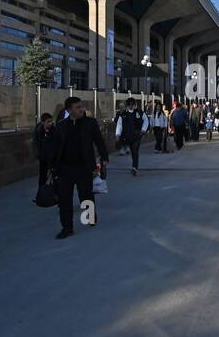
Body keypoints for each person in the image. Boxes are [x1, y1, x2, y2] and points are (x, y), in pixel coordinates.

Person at [43, 97, 108, 239]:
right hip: (64, 168)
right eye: (77, 107)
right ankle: (67, 227)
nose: (81, 109)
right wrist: (51, 165)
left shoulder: (90, 123)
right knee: (64, 199)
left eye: (81, 107)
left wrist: (104, 158)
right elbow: (54, 146)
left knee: (85, 195)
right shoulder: (61, 125)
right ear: (69, 110)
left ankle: (89, 217)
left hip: (84, 167)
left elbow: (99, 141)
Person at [114, 100, 147, 176]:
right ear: (127, 106)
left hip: (137, 135)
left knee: (135, 150)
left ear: (134, 105)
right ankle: (134, 165)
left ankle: (135, 167)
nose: (131, 106)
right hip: (128, 136)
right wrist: (117, 135)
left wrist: (143, 130)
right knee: (133, 151)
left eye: (132, 104)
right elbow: (119, 125)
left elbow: (146, 120)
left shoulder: (139, 112)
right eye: (129, 105)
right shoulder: (123, 115)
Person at [32, 112, 55, 203]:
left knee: (55, 176)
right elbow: (35, 143)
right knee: (42, 177)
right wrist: (38, 154)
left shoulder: (54, 130)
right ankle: (40, 195)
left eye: (51, 121)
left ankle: (55, 194)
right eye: (48, 122)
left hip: (52, 157)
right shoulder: (39, 130)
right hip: (43, 157)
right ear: (43, 122)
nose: (50, 123)